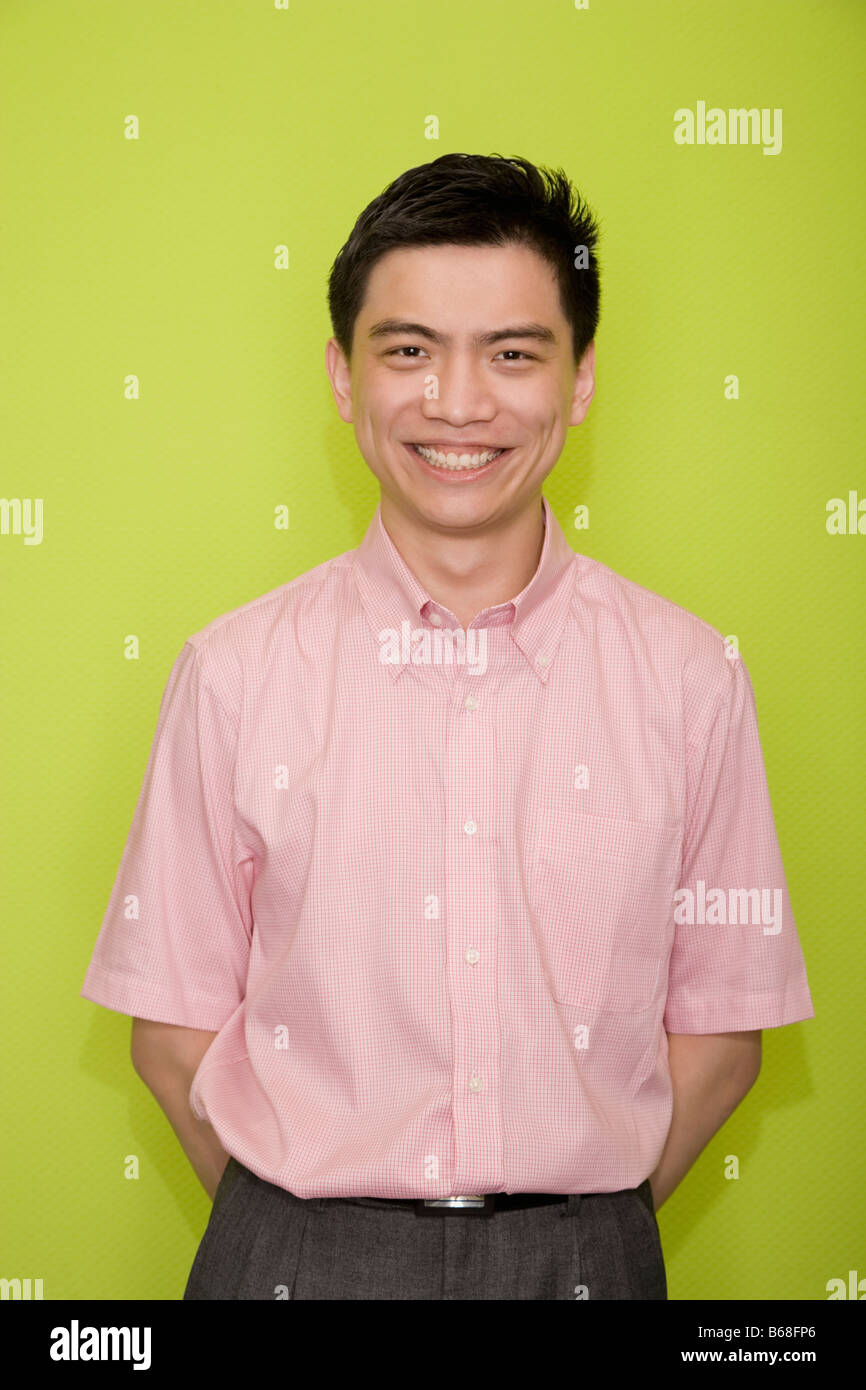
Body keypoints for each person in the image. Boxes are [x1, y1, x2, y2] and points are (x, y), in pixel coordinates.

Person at [80, 153, 814, 1301]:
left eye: (512, 353)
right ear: (340, 376)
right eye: (408, 350)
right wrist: (321, 1232)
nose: (458, 402)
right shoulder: (232, 671)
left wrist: (570, 1220)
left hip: (585, 1256)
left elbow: (721, 1027)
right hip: (293, 1256)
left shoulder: (687, 676)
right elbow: (169, 1029)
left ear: (577, 382)